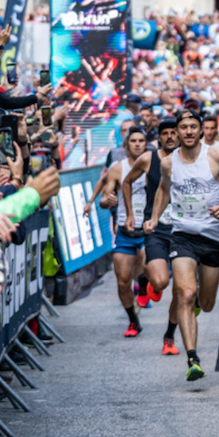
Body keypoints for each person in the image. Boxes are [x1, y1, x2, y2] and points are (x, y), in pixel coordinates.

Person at [146, 109, 219, 382]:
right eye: (184, 127)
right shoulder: (169, 163)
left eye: (194, 126)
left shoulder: (215, 156)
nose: (189, 131)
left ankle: (191, 312)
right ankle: (192, 358)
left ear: (202, 130)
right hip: (183, 236)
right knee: (185, 293)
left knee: (205, 304)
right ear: (177, 132)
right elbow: (163, 190)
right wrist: (155, 218)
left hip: (213, 238)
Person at [122, 117, 181, 355]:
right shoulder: (148, 158)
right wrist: (130, 214)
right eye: (164, 133)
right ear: (159, 137)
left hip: (183, 229)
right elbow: (127, 182)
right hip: (155, 227)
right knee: (162, 282)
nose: (169, 137)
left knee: (182, 290)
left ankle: (169, 336)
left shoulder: (190, 160)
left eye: (173, 133)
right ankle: (147, 281)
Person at [89, 127, 151, 338]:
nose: (137, 144)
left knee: (147, 262)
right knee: (123, 281)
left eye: (141, 141)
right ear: (126, 145)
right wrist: (107, 201)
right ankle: (133, 320)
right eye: (133, 141)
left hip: (147, 229)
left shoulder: (154, 167)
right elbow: (104, 200)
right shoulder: (117, 169)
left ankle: (144, 284)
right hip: (125, 230)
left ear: (146, 144)